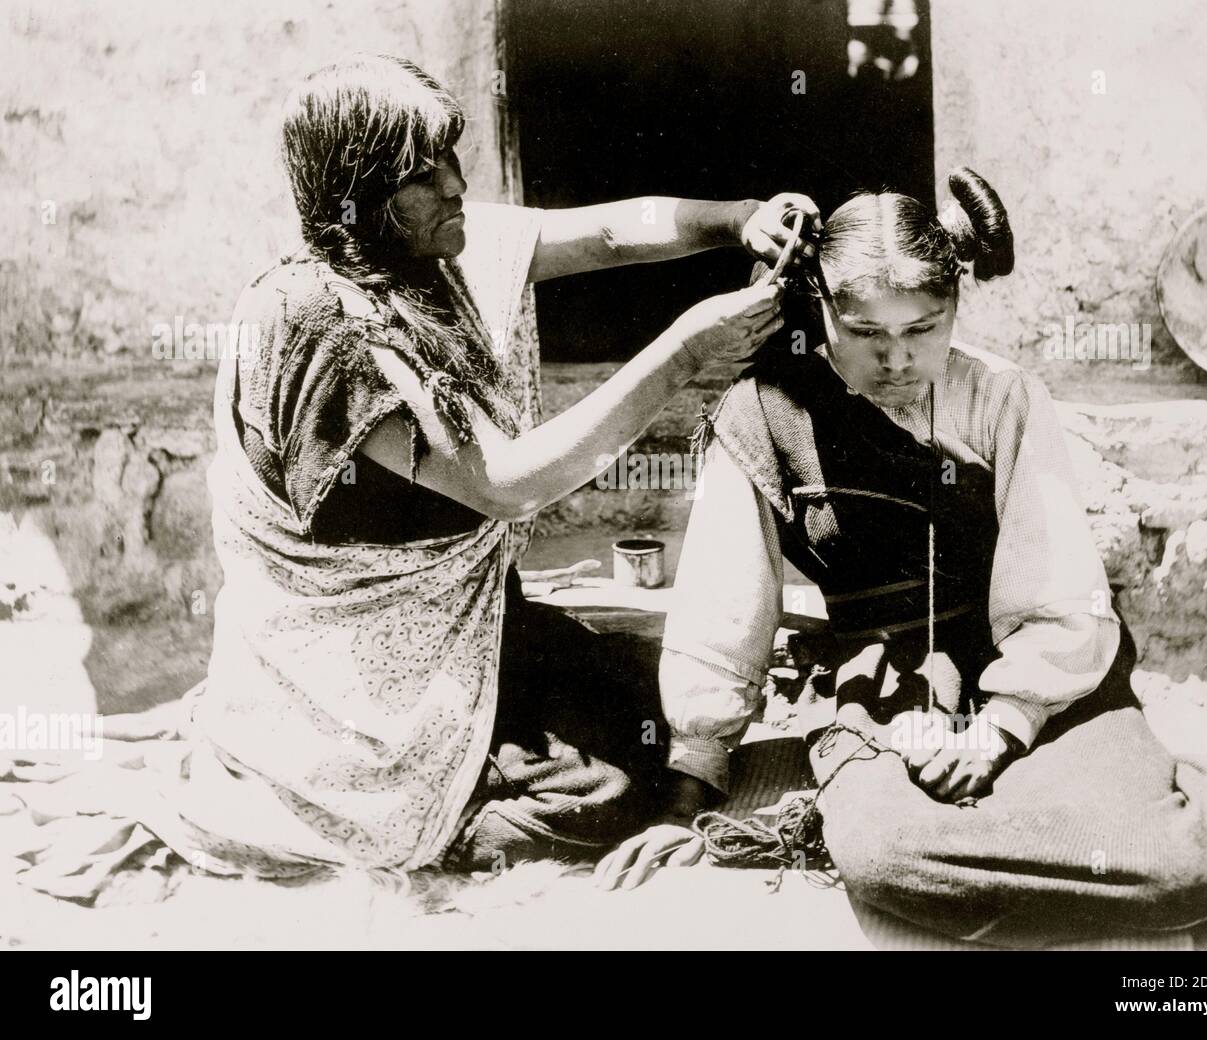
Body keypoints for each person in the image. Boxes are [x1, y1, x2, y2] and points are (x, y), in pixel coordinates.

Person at [595, 168, 1207, 948]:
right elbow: (724, 606)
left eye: (923, 329)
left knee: (1174, 866)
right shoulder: (765, 411)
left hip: (1039, 678)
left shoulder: (1001, 396)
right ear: (820, 305)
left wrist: (1003, 726)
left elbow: (1059, 588)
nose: (897, 359)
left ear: (955, 305)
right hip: (881, 685)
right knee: (886, 857)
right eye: (867, 333)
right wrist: (689, 791)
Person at [180, 53, 821, 878]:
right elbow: (509, 485)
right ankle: (441, 820)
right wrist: (683, 355)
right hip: (363, 673)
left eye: (449, 157)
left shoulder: (423, 249)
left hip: (465, 620)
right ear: (357, 195)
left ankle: (498, 745)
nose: (455, 185)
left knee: (653, 698)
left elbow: (609, 233)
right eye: (420, 174)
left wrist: (740, 219)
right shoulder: (322, 326)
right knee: (608, 796)